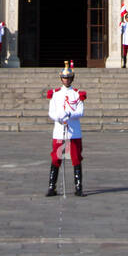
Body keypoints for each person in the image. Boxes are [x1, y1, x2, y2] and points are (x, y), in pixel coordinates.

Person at [46, 60, 86, 197]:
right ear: (61, 79)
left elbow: (80, 111)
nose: (66, 80)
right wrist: (58, 117)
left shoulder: (77, 94)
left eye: (69, 78)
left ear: (72, 79)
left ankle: (78, 187)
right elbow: (51, 112)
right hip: (59, 131)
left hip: (73, 131)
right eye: (64, 78)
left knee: (76, 158)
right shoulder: (55, 94)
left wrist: (70, 114)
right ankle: (52, 186)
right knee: (56, 158)